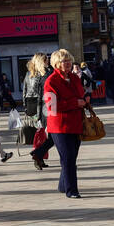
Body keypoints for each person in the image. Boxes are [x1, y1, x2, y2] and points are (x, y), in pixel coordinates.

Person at [43, 48, 88, 198]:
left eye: (69, 60)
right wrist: (76, 103)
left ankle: (63, 185)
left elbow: (81, 95)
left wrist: (86, 100)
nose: (68, 63)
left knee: (70, 158)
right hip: (60, 126)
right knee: (68, 158)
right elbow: (52, 106)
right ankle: (72, 191)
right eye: (64, 61)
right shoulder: (51, 81)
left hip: (76, 123)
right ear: (56, 63)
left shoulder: (75, 78)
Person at [22, 53, 52, 170]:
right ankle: (38, 155)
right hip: (41, 106)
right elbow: (41, 94)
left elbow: (24, 92)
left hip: (31, 106)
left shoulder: (28, 74)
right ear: (41, 61)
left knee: (39, 134)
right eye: (46, 59)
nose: (48, 61)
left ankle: (40, 157)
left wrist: (25, 107)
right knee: (44, 133)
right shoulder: (43, 74)